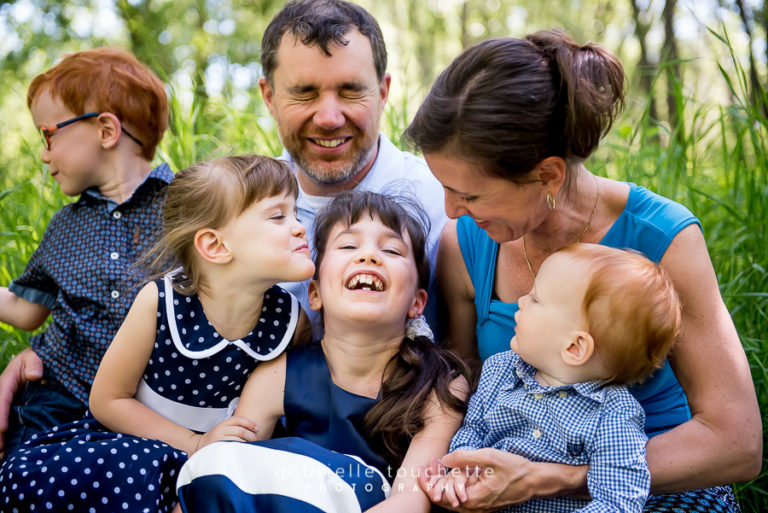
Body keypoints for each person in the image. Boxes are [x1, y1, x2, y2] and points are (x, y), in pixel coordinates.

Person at [404, 30, 762, 512]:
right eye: (445, 189)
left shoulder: (661, 236)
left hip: (657, 490)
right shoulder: (465, 244)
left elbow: (737, 443)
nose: (450, 210)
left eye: (470, 194)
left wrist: (551, 480)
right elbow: (464, 396)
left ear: (548, 175)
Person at [0, 155, 316, 512]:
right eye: (278, 217)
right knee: (27, 476)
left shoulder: (290, 322)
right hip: (136, 445)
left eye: (295, 213)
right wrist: (193, 444)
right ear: (216, 246)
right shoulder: (162, 302)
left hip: (221, 461)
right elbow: (108, 400)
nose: (299, 227)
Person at [174, 191, 469, 513]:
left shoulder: (439, 385)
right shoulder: (278, 375)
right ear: (314, 294)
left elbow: (411, 498)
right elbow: (227, 475)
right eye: (348, 246)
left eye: (391, 250)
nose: (368, 256)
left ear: (417, 302)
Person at [0, 47, 172, 456]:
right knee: (25, 476)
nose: (43, 153)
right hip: (56, 397)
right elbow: (26, 310)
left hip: (151, 407)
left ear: (106, 130)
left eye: (48, 134)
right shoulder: (65, 226)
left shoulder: (187, 208)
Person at [426, 243, 681, 512]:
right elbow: (473, 429)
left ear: (574, 347)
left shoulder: (612, 416)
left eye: (535, 299)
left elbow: (617, 502)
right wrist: (463, 471)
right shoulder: (499, 371)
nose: (521, 301)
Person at [259, 0, 447, 336]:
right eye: (305, 94)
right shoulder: (237, 209)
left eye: (350, 92)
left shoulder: (444, 207)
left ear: (383, 92)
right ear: (269, 98)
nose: (329, 119)